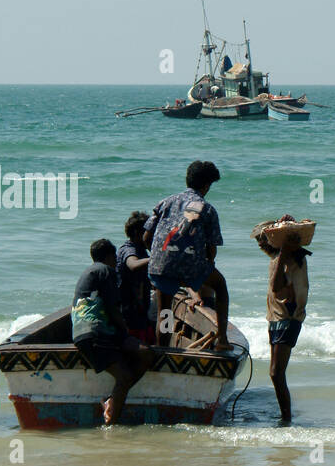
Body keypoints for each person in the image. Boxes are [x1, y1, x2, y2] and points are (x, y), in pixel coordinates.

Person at [144, 161, 230, 350]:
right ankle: (223, 340)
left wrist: (161, 256)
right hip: (192, 267)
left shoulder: (165, 202)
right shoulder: (207, 209)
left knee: (164, 312)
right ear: (206, 185)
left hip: (161, 265)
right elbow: (212, 247)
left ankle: (162, 348)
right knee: (220, 286)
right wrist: (207, 265)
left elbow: (146, 236)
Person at [73, 239, 153, 425]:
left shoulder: (88, 272)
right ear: (110, 256)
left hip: (80, 333)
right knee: (144, 356)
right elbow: (112, 307)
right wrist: (125, 330)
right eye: (115, 258)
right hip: (97, 332)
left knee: (129, 369)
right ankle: (110, 423)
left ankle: (112, 401)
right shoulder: (106, 271)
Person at [253, 216, 310, 425]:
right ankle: (285, 416)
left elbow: (277, 287)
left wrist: (285, 250)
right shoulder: (279, 258)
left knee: (276, 373)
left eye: (262, 239)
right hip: (277, 319)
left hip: (288, 318)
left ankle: (286, 419)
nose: (260, 244)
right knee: (276, 374)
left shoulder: (291, 257)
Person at [117, 211, 154, 344]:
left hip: (139, 309)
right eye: (150, 232)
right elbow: (133, 265)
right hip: (128, 310)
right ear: (138, 233)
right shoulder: (129, 249)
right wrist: (156, 258)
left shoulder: (141, 250)